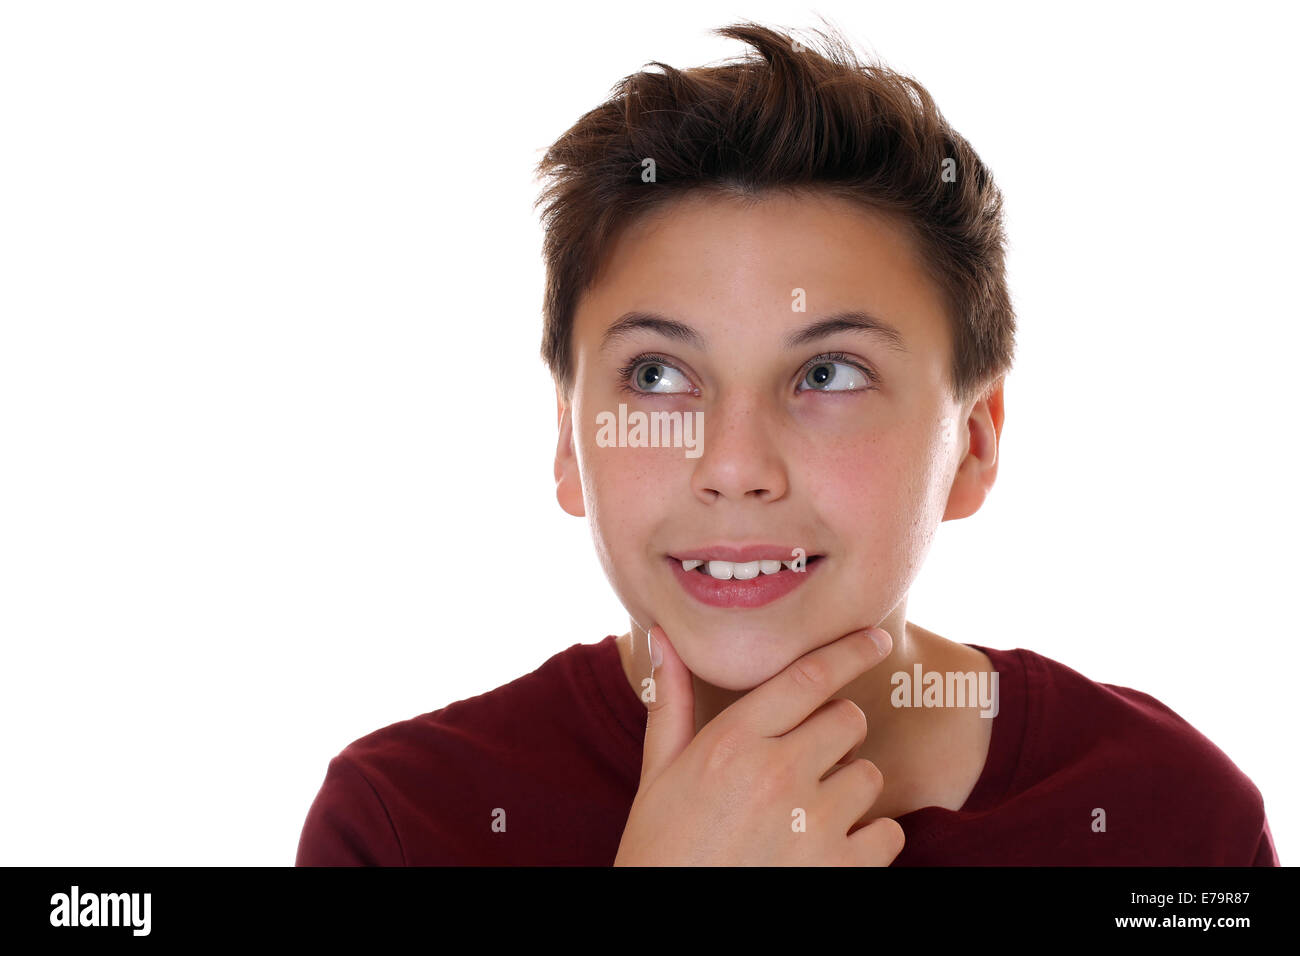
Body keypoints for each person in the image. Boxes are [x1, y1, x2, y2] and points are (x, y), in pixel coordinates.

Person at [295, 20, 1277, 866]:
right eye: (657, 375)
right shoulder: (402, 824)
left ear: (973, 443)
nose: (733, 466)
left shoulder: (1172, 818)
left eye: (827, 374)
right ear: (568, 441)